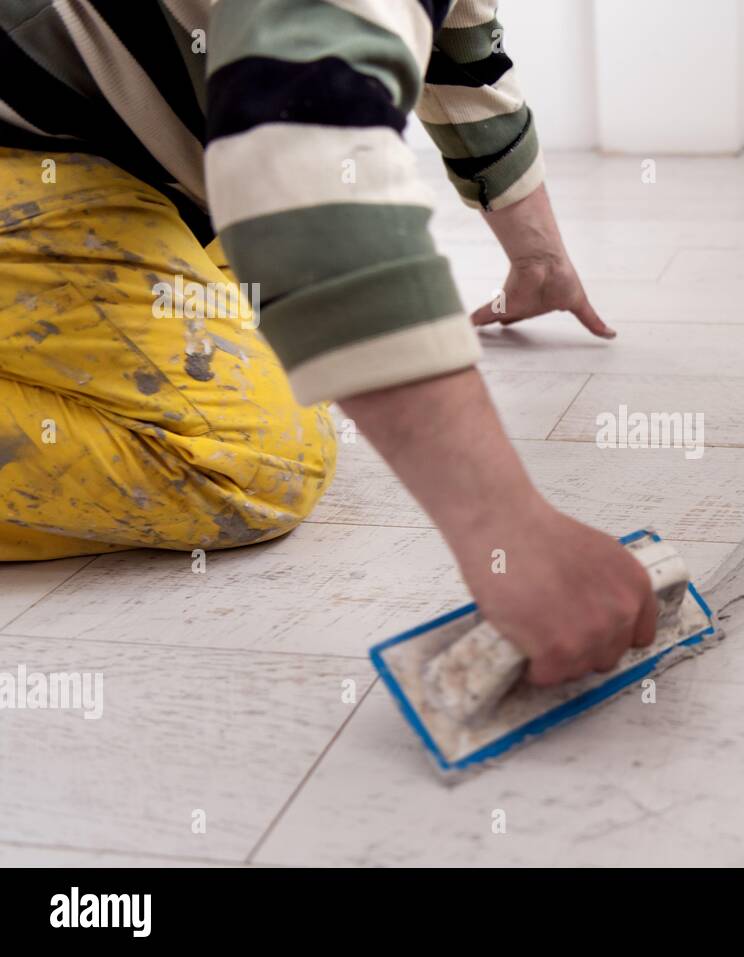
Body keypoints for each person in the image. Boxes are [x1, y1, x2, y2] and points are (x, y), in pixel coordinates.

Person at [0, 0, 656, 685]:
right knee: (245, 458)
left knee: (296, 350)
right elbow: (297, 152)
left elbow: (458, 53)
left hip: (124, 160)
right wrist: (510, 530)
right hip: (30, 148)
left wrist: (540, 260)